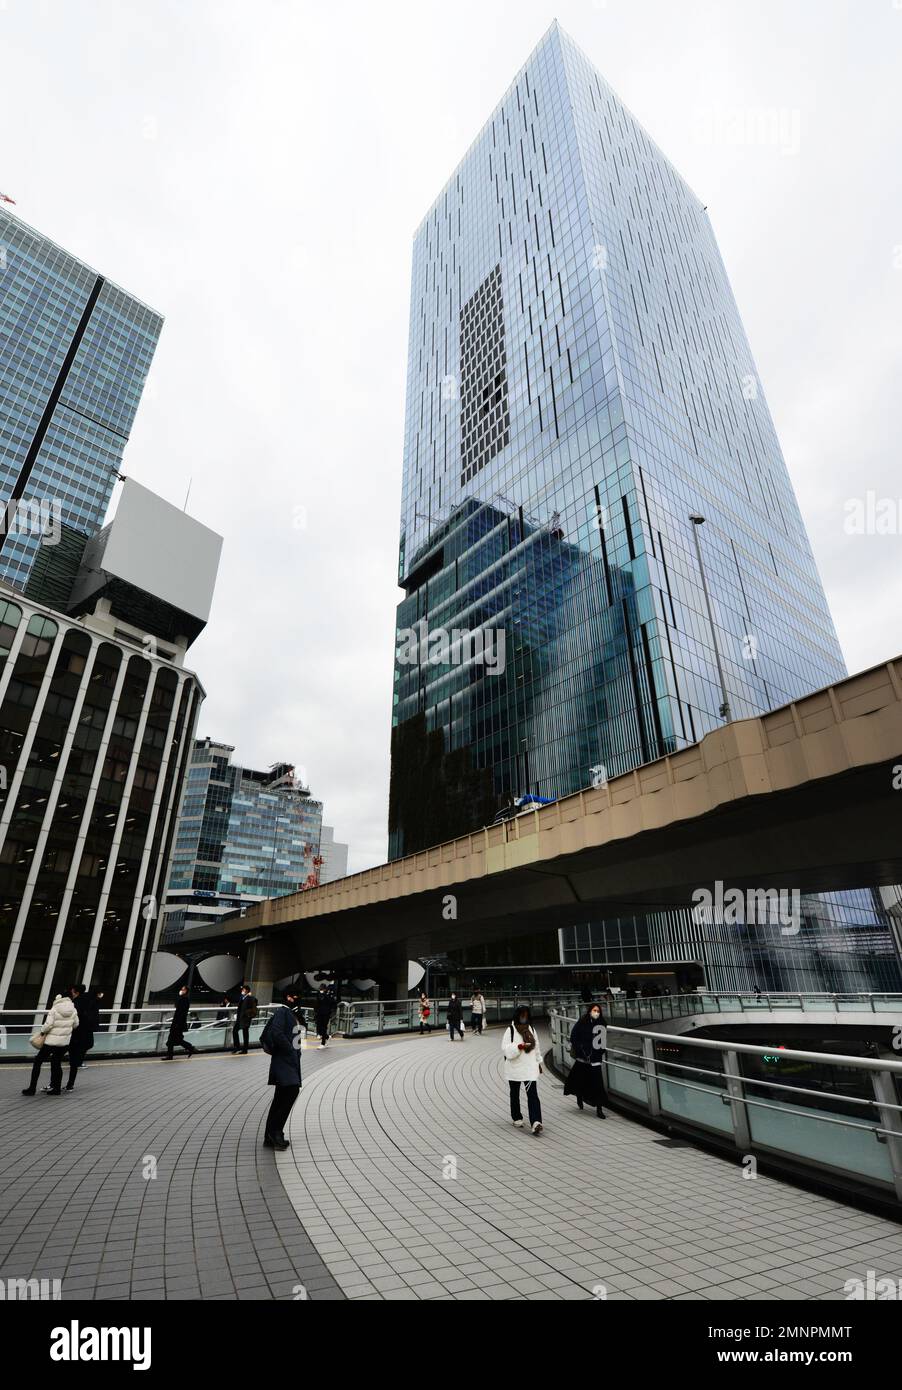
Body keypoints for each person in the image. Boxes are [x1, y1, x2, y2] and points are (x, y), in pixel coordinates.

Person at [259, 986, 305, 1150]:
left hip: (290, 1062)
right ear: (286, 997)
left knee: (280, 1097)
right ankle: (275, 1132)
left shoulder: (292, 1013)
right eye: (293, 996)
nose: (296, 998)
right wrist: (291, 1051)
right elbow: (277, 1033)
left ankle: (270, 1135)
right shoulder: (282, 1012)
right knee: (291, 1091)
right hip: (284, 1061)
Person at [22, 992, 79, 1096]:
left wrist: (42, 1032)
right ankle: (56, 1089)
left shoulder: (55, 1008)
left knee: (38, 1062)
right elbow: (76, 1024)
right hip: (64, 1042)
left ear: (58, 998)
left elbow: (48, 1025)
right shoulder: (73, 1009)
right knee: (57, 1063)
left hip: (51, 1042)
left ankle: (32, 1088)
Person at [501, 1005, 543, 1134]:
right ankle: (517, 1117)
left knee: (533, 1095)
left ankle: (536, 1122)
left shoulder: (531, 1029)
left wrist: (539, 1062)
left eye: (526, 1015)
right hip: (515, 1068)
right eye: (522, 1015)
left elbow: (537, 1048)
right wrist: (518, 1047)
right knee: (514, 1093)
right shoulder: (511, 1030)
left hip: (530, 1068)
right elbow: (505, 1049)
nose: (524, 1017)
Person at [563, 1001, 607, 1118]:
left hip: (595, 1058)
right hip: (583, 1057)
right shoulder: (582, 1022)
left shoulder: (602, 1024)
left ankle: (599, 1108)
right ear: (589, 1011)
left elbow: (602, 1042)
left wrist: (600, 1052)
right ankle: (579, 1096)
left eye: (598, 1011)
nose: (596, 1013)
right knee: (580, 1079)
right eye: (594, 1010)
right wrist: (580, 1049)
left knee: (597, 1083)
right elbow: (574, 1036)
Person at [65, 984, 100, 1092]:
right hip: (83, 1032)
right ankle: (69, 1085)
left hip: (73, 1034)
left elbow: (74, 1021)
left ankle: (54, 1084)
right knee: (74, 1063)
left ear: (76, 992)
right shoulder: (89, 1001)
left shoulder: (74, 1003)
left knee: (57, 1060)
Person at [164, 985, 197, 1059]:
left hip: (178, 1023)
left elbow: (181, 1012)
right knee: (175, 1040)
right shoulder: (182, 999)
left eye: (183, 990)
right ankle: (190, 1048)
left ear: (186, 991)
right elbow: (176, 1006)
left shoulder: (185, 1000)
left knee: (173, 1040)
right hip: (177, 1023)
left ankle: (171, 1055)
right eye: (181, 989)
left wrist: (177, 1024)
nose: (181, 991)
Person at [232, 983, 257, 1054]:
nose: (242, 990)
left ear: (247, 991)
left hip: (246, 1019)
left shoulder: (250, 998)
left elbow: (255, 1002)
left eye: (243, 989)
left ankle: (245, 1050)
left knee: (245, 1034)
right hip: (240, 1019)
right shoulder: (242, 997)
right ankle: (237, 1047)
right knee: (235, 1031)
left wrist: (248, 1015)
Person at [313, 984, 333, 1049]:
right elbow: (317, 1003)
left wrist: (325, 994)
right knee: (319, 1028)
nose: (320, 990)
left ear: (325, 989)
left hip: (326, 1014)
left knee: (324, 1028)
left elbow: (332, 1002)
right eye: (320, 989)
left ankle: (323, 1043)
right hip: (319, 1013)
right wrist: (315, 1011)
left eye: (322, 989)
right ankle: (327, 1037)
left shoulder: (328, 995)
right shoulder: (319, 995)